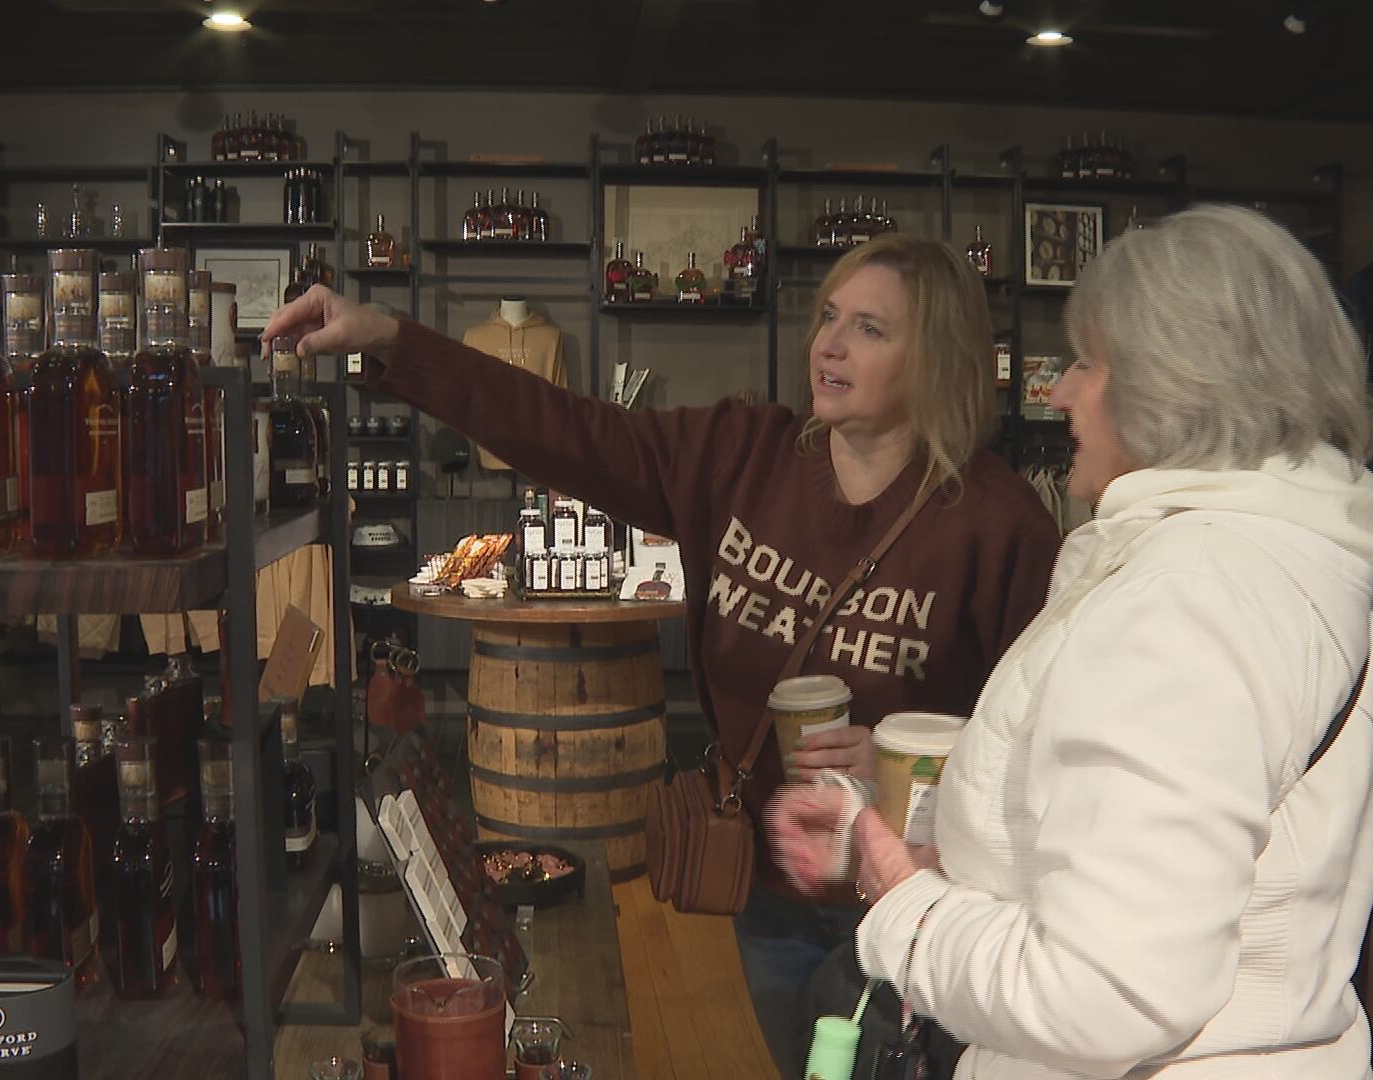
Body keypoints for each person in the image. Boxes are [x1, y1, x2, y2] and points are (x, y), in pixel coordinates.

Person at [261, 235, 1060, 1077]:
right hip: (770, 889)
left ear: (935, 358)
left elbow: (1046, 748)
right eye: (828, 316)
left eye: (868, 329)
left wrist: (921, 760)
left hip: (920, 902)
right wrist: (391, 337)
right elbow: (564, 429)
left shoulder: (998, 526)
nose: (828, 343)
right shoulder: (745, 455)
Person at [769, 205, 1373, 1078]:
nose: (1059, 391)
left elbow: (1107, 990)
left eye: (1087, 362)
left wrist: (904, 905)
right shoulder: (1275, 564)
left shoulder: (1187, 602)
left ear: (1173, 381)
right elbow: (1148, 845)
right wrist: (886, 839)